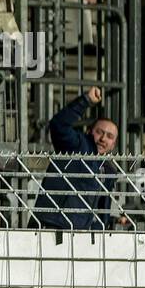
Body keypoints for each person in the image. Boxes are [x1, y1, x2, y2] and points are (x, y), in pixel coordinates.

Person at [30, 86, 119, 231]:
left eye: (109, 136)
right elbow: (58, 125)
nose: (103, 139)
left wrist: (109, 223)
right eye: (99, 132)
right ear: (89, 131)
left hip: (78, 234)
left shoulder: (108, 170)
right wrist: (86, 100)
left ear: (113, 144)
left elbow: (102, 212)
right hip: (49, 227)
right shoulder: (76, 145)